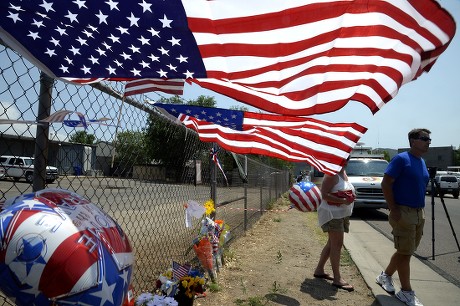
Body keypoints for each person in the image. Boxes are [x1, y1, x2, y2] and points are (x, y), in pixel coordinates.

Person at [376, 128, 431, 306]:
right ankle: (406, 292)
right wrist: (393, 208)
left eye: (429, 139)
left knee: (405, 251)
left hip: (418, 212)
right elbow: (386, 183)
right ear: (413, 140)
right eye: (424, 138)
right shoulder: (401, 159)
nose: (428, 141)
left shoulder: (421, 161)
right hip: (403, 211)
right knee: (406, 253)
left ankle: (385, 276)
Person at [314, 157, 355, 292]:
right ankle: (337, 278)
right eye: (344, 157)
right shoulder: (332, 174)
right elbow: (323, 195)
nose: (346, 159)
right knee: (337, 245)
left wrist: (349, 197)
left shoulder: (343, 173)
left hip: (341, 214)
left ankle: (319, 270)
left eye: (348, 157)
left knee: (332, 244)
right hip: (332, 215)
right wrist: (343, 199)